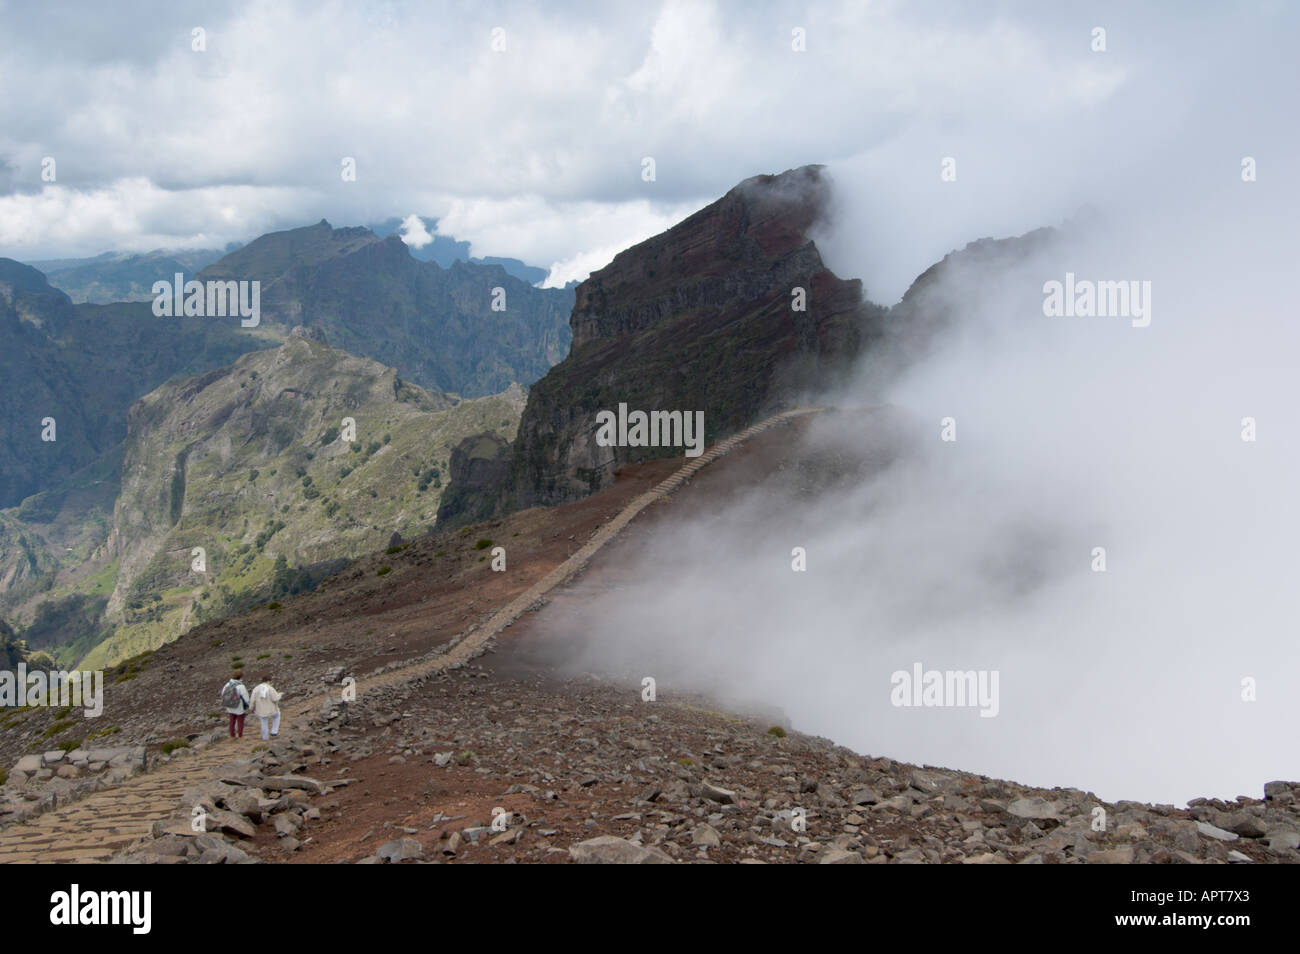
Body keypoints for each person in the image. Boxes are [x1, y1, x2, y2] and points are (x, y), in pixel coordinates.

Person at [250, 674, 283, 740]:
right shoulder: (270, 688)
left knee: (263, 722)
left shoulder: (256, 688)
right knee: (277, 715)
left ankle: (265, 737)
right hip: (271, 709)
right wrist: (280, 694)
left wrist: (251, 707)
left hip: (260, 710)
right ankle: (274, 731)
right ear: (268, 681)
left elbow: (252, 699)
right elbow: (275, 698)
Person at [221, 671, 252, 738]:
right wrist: (248, 705)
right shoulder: (241, 686)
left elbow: (223, 694)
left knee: (232, 720)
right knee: (240, 721)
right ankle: (240, 735)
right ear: (240, 677)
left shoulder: (227, 684)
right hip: (239, 706)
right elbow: (246, 697)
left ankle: (232, 735)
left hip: (229, 705)